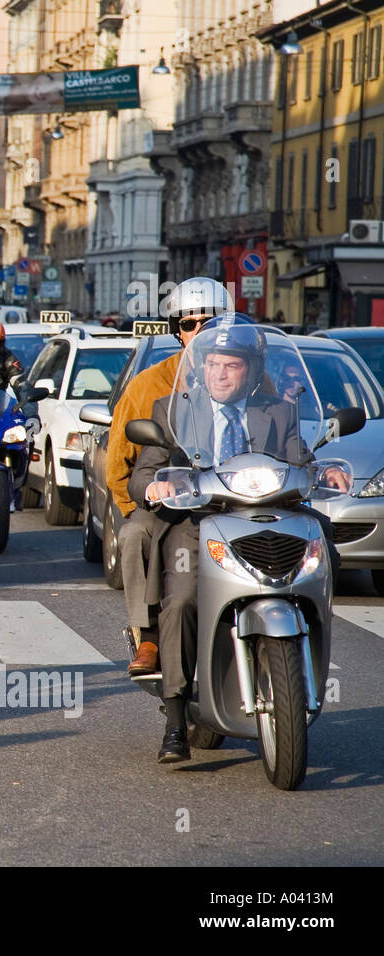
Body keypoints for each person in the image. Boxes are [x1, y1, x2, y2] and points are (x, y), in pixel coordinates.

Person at [130, 317, 349, 763]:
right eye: (213, 364)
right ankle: (175, 720)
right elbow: (144, 472)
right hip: (200, 521)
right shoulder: (173, 410)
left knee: (318, 545)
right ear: (200, 367)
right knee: (184, 600)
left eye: (231, 365)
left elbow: (299, 458)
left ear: (250, 370)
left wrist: (323, 470)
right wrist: (157, 487)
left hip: (266, 518)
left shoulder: (278, 411)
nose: (220, 373)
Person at [112, 277, 233, 679]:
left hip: (235, 504)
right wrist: (145, 503)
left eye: (209, 321)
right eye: (187, 323)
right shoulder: (149, 384)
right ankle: (147, 633)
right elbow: (120, 465)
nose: (198, 331)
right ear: (176, 331)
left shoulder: (249, 377)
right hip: (170, 506)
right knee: (134, 535)